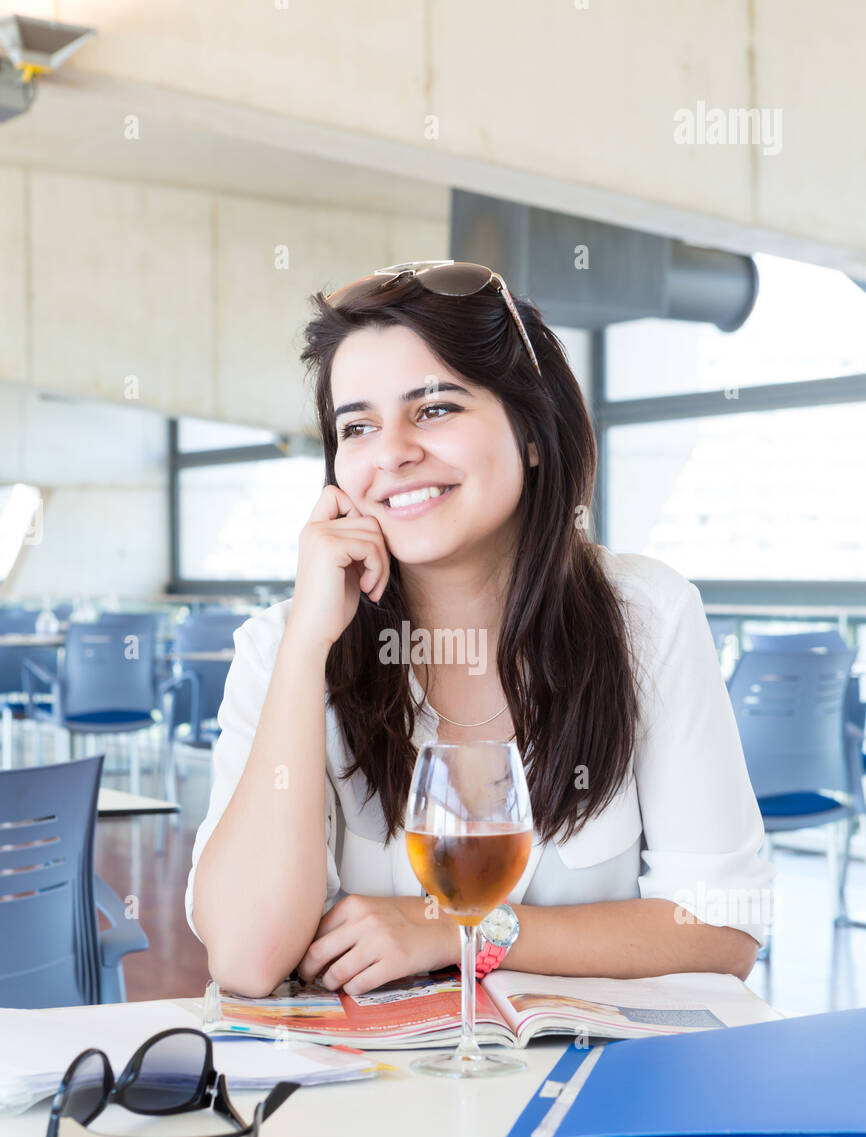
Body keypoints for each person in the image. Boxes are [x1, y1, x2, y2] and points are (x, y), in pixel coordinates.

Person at [186, 260, 774, 1000]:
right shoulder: (284, 646)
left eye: (435, 409)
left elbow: (719, 929)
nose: (393, 452)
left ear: (532, 433)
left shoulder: (646, 616)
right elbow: (247, 959)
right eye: (358, 427)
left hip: (579, 1068)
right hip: (358, 1074)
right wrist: (307, 647)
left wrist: (463, 930)